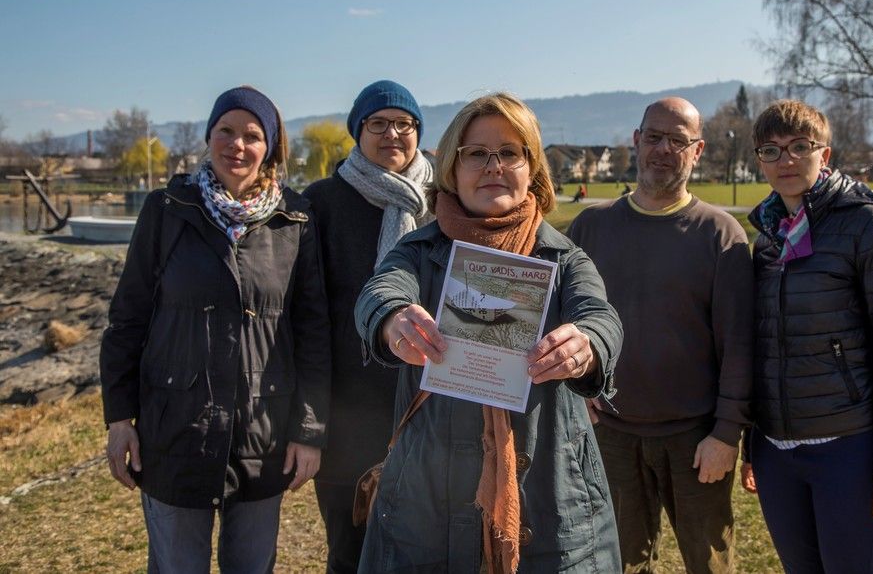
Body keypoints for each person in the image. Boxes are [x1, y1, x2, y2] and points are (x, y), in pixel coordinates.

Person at [354, 92, 623, 573]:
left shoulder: (564, 258)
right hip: (427, 496)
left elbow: (600, 316)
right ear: (452, 169)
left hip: (549, 489)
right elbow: (380, 290)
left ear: (531, 169)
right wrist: (393, 317)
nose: (493, 165)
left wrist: (587, 344)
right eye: (476, 153)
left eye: (510, 153)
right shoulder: (418, 251)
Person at [100, 86, 331, 573]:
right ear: (209, 136)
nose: (237, 145)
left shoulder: (295, 221)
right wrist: (120, 418)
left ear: (270, 146)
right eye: (225, 130)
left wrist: (309, 430)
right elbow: (128, 319)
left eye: (252, 135)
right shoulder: (166, 210)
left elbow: (313, 334)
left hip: (261, 433)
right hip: (174, 427)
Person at [567, 97, 753, 574]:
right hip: (610, 433)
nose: (663, 150)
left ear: (697, 151)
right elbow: (559, 318)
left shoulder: (721, 234)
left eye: (678, 140)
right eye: (654, 137)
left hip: (696, 438)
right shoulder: (592, 226)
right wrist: (575, 392)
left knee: (709, 564)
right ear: (636, 141)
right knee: (617, 564)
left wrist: (727, 434)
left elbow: (739, 347)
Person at [740, 99, 873, 573]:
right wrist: (751, 445)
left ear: (826, 153)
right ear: (759, 160)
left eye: (801, 147)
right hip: (779, 453)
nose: (787, 160)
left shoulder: (867, 222)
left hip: (852, 451)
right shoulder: (768, 236)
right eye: (771, 151)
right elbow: (761, 349)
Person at [303, 80, 433, 573]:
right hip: (348, 410)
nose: (392, 134)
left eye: (404, 124)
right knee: (350, 548)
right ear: (357, 132)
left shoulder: (443, 201)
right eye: (378, 124)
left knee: (424, 545)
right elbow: (309, 315)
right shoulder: (322, 202)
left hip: (426, 402)